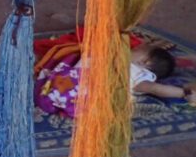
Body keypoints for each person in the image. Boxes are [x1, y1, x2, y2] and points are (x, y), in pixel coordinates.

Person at [35, 35, 196, 116]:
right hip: (83, 75)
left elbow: (155, 89)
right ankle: (54, 89)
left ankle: (55, 92)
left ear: (145, 62)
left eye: (135, 51)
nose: (131, 50)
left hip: (87, 85)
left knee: (63, 82)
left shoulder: (138, 75)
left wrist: (182, 92)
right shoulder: (122, 61)